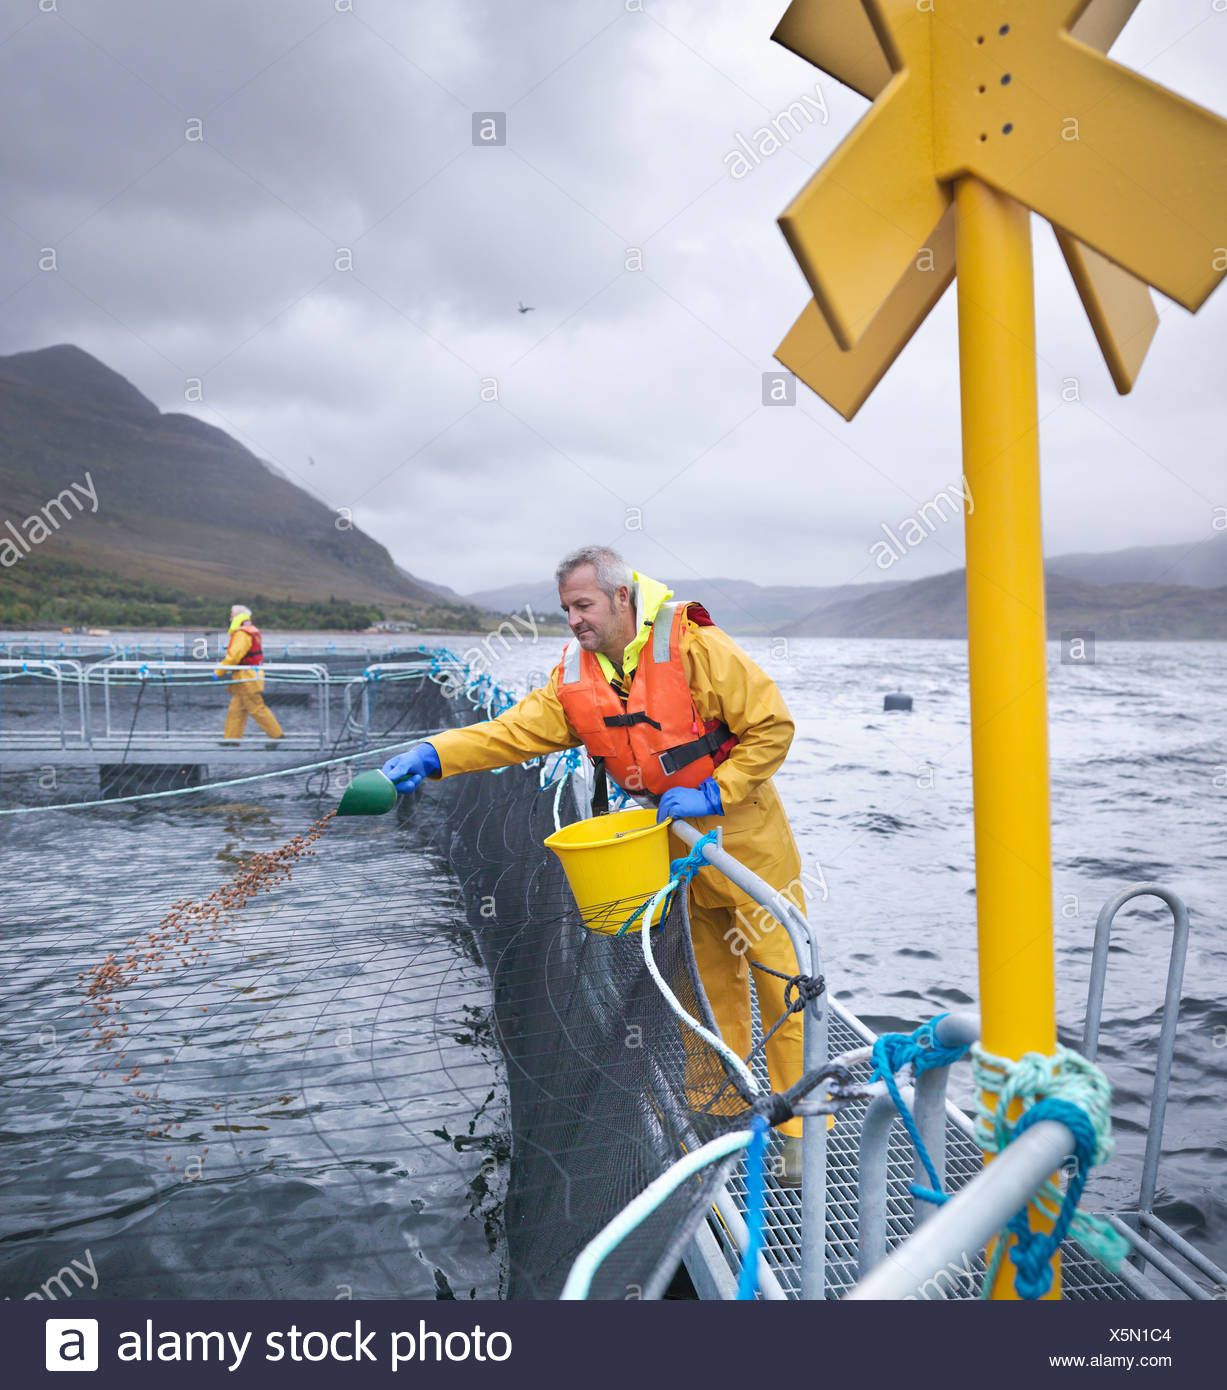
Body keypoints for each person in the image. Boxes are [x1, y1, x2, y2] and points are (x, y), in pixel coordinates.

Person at [384, 546, 812, 1183]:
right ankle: (719, 1116)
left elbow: (772, 726)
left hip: (749, 849)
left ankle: (798, 1132)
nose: (573, 620)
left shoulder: (696, 647)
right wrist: (434, 753)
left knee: (784, 989)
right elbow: (511, 732)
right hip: (678, 857)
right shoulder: (576, 677)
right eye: (564, 610)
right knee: (703, 986)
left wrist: (719, 790)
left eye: (582, 605)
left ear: (621, 598)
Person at [214, 604, 283, 746]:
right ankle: (231, 739)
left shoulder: (242, 633)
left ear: (238, 616)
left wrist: (218, 671)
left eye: (232, 615)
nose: (230, 618)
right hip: (246, 676)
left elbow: (234, 656)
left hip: (246, 677)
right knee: (236, 709)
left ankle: (277, 735)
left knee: (256, 707)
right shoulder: (251, 630)